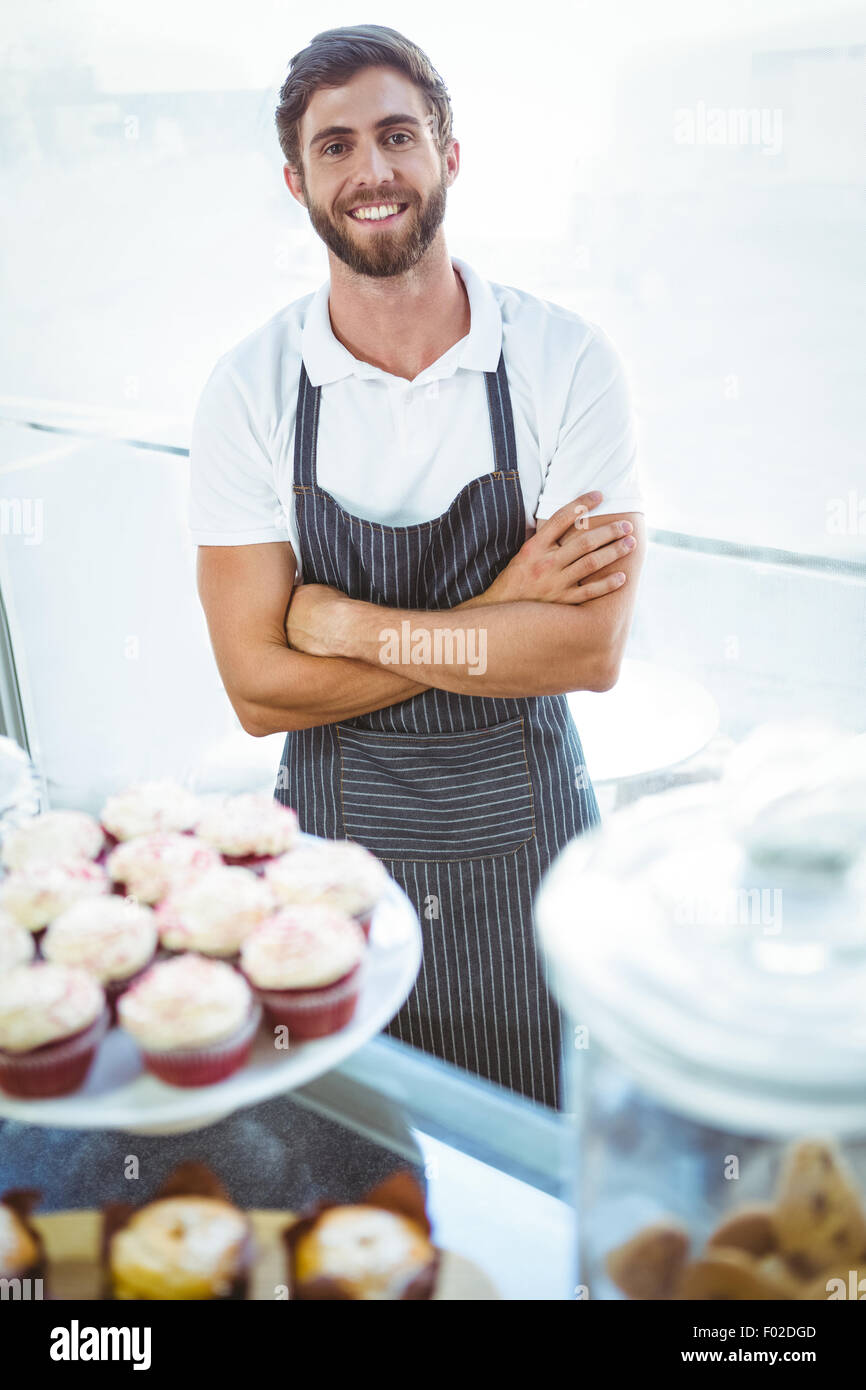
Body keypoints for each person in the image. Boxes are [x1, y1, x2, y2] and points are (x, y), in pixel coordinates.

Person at [190, 24, 646, 1110]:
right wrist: (498, 614)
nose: (372, 171)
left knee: (531, 1153)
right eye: (337, 147)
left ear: (449, 152)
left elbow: (586, 649)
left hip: (525, 845)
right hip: (333, 852)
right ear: (297, 180)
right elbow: (256, 690)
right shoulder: (251, 388)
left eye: (397, 135)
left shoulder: (563, 361)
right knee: (354, 1156)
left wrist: (342, 625)